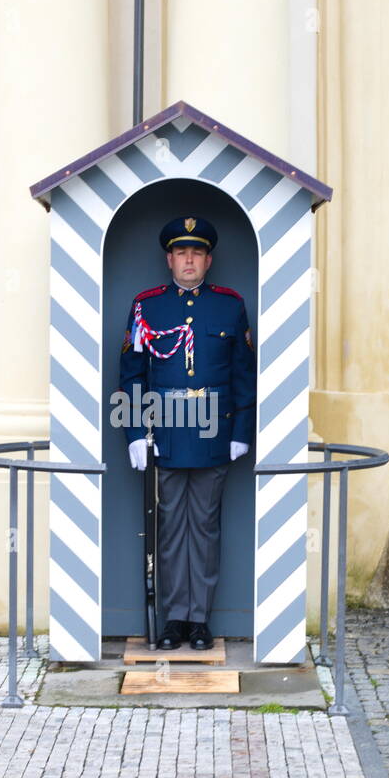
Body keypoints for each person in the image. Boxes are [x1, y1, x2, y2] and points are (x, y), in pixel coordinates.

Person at [118, 216, 256, 651]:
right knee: (170, 528)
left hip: (215, 430)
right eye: (181, 252)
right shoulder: (147, 306)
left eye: (197, 252)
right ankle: (174, 619)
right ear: (169, 259)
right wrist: (135, 433)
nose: (189, 259)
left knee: (206, 528)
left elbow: (243, 375)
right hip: (166, 433)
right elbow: (132, 375)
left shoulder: (230, 305)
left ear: (209, 259)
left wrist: (242, 429)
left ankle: (200, 621)